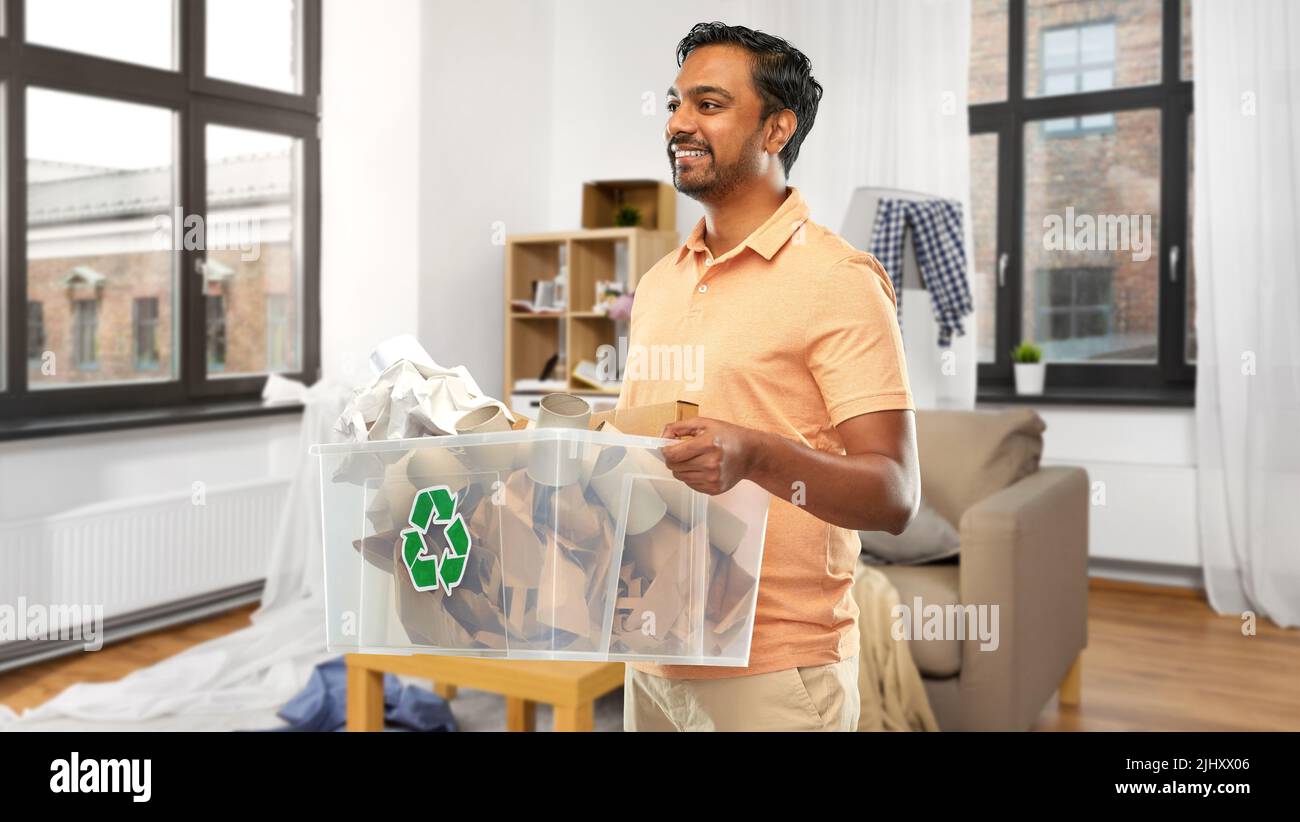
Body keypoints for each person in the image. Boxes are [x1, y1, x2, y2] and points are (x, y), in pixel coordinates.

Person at [618, 21, 920, 732]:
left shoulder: (838, 279)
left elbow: (896, 496)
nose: (678, 123)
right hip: (650, 654)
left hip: (772, 671)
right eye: (675, 102)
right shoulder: (660, 282)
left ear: (777, 128)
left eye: (709, 104)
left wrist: (755, 454)